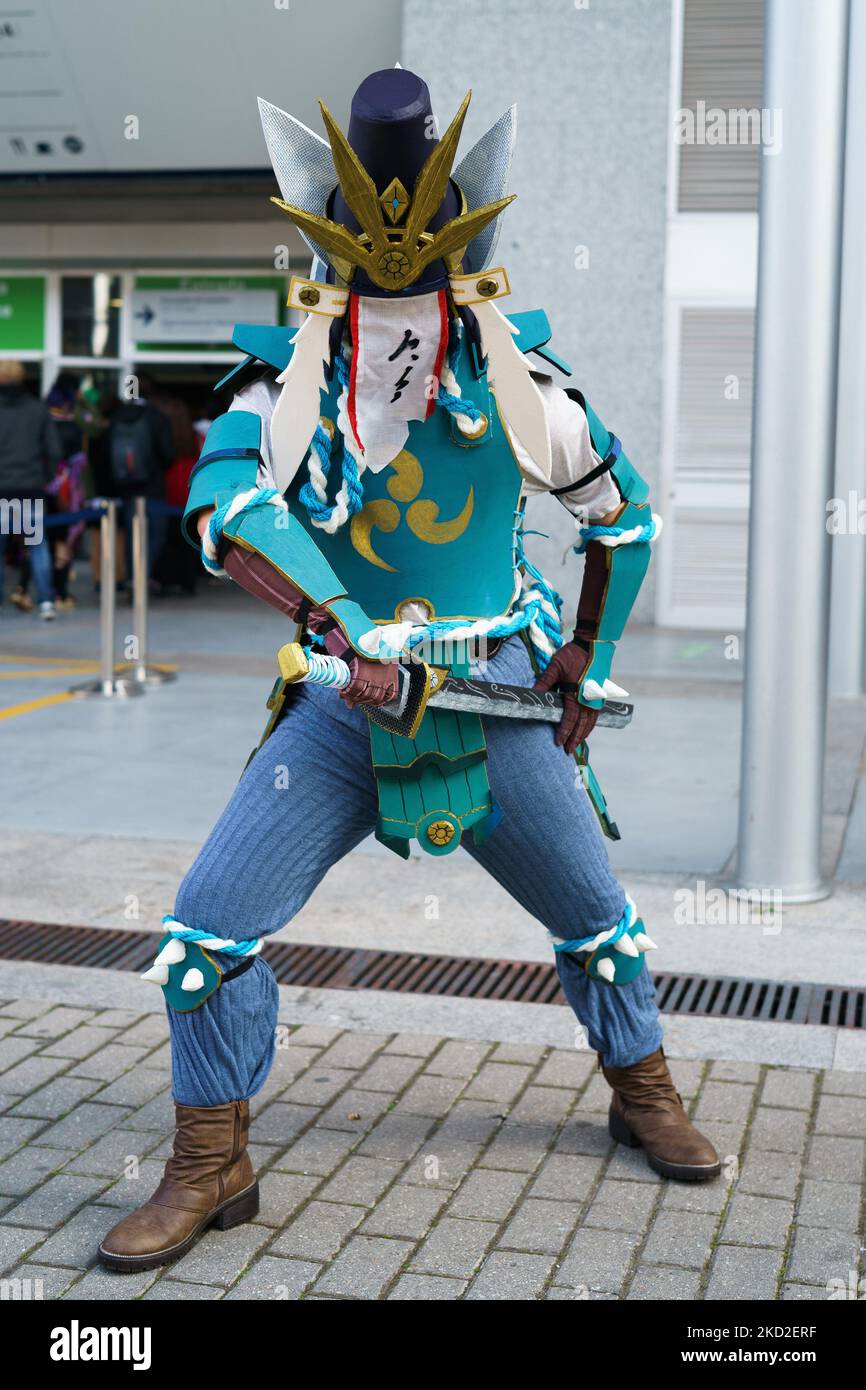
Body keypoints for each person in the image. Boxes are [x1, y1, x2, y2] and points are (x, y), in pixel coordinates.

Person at [98, 69, 719, 1274]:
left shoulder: (513, 382)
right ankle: (209, 1160)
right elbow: (223, 506)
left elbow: (621, 514)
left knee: (598, 922)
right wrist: (336, 625)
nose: (397, 332)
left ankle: (641, 1089)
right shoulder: (287, 383)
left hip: (490, 693)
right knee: (202, 934)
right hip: (339, 709)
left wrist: (584, 654)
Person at [0, 360, 61, 620]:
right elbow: (55, 451)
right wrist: (43, 478)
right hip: (30, 489)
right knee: (37, 546)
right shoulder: (38, 410)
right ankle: (46, 601)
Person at [100, 375, 174, 586]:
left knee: (132, 535)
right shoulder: (157, 417)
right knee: (156, 535)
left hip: (126, 487)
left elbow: (105, 455)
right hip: (153, 486)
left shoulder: (115, 418)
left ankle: (133, 576)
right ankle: (144, 573)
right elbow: (168, 454)